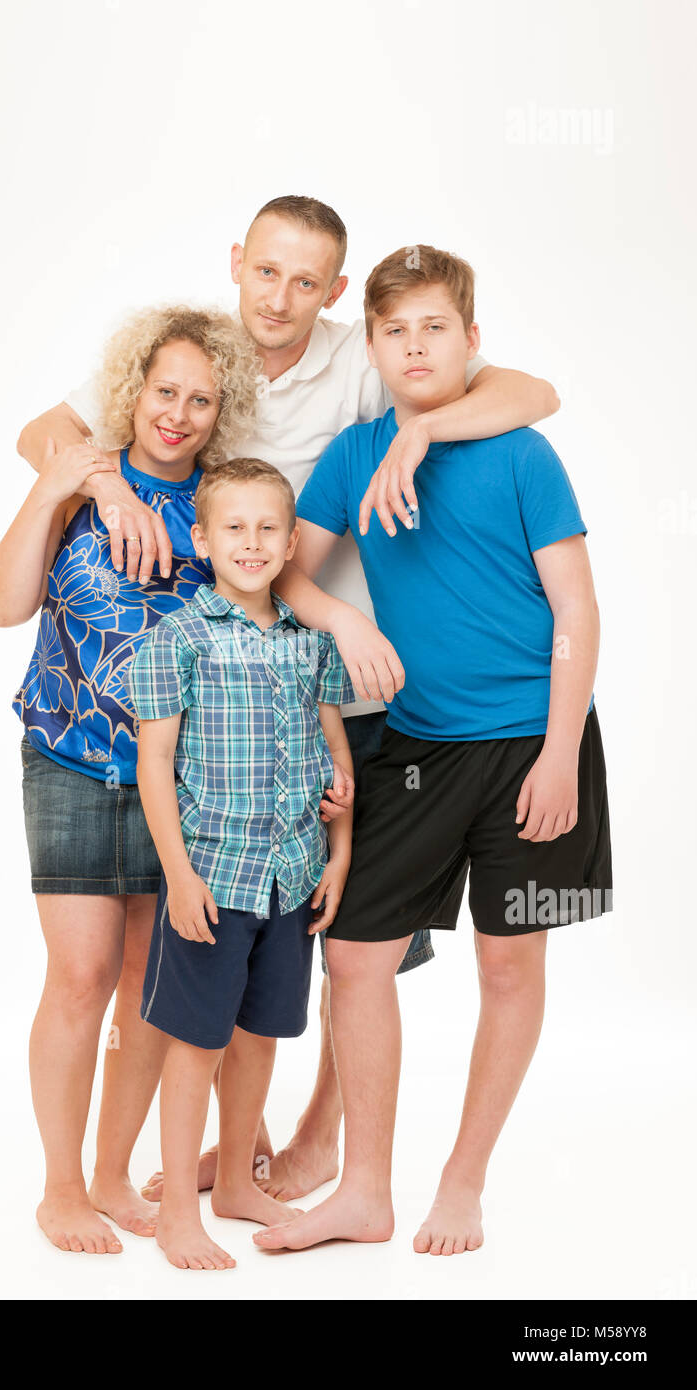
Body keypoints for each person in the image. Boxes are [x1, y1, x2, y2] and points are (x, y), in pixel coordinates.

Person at [16, 196, 562, 1203]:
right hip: (222, 694)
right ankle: (228, 1138)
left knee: (351, 940)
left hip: (349, 688)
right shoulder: (199, 359)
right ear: (236, 263)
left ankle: (316, 1142)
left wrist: (419, 430)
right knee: (228, 920)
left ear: (334, 291)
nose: (281, 297)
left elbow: (533, 392)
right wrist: (107, 488)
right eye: (266, 272)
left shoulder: (363, 356)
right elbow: (44, 427)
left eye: (306, 280)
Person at [255, 244, 612, 1256]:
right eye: (394, 331)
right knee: (353, 953)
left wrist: (556, 753)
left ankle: (461, 1180)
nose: (414, 346)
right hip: (414, 745)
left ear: (470, 341)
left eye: (434, 328)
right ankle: (362, 1189)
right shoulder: (352, 453)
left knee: (507, 966)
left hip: (531, 744)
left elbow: (576, 609)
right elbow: (288, 576)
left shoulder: (521, 454)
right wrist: (344, 624)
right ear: (369, 345)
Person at [0, 305, 261, 1253]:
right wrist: (80, 483)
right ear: (134, 390)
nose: (177, 413)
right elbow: (3, 603)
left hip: (169, 781)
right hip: (65, 754)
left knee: (149, 979)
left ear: (220, 413)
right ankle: (61, 1187)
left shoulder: (223, 505)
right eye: (165, 391)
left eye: (200, 399)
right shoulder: (81, 473)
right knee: (81, 974)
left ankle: (111, 1171)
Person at [125, 458, 354, 1270]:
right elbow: (155, 768)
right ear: (203, 538)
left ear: (291, 542)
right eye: (234, 528)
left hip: (290, 876)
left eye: (267, 530)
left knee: (261, 1031)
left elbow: (337, 759)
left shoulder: (312, 643)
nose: (251, 544)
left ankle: (234, 1185)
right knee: (196, 1039)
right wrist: (178, 876)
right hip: (212, 881)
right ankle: (180, 1215)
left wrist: (339, 853)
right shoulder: (178, 638)